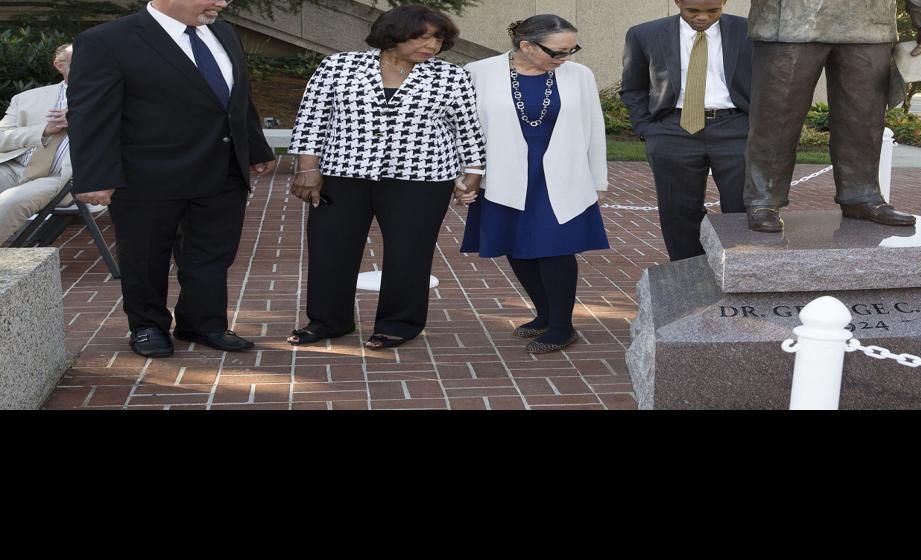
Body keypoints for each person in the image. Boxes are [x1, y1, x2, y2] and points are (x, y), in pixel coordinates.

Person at [68, 0, 276, 358]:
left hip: (222, 168)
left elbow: (236, 99)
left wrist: (256, 148)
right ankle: (147, 326)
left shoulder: (224, 33)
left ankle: (203, 323)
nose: (222, 3)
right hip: (147, 175)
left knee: (211, 255)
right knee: (146, 255)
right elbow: (91, 114)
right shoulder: (106, 41)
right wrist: (95, 176)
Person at [284, 4, 486, 350]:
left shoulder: (452, 76)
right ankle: (328, 321)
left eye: (438, 39)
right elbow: (311, 122)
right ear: (393, 35)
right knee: (331, 249)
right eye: (423, 37)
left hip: (421, 179)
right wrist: (307, 169)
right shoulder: (338, 67)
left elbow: (467, 129)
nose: (432, 46)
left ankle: (400, 323)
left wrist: (473, 173)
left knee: (410, 253)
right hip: (343, 174)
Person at [459, 15, 608, 355]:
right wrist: (465, 175)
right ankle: (544, 314)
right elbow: (464, 129)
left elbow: (594, 126)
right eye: (556, 52)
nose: (564, 58)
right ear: (525, 45)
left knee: (554, 246)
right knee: (516, 244)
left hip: (561, 173)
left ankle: (562, 325)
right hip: (502, 173)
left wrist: (598, 178)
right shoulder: (478, 72)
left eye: (571, 50)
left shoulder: (579, 75)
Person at [743, 0, 921, 232]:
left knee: (864, 118)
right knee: (776, 115)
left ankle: (861, 194)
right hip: (789, 19)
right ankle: (764, 197)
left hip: (870, 21)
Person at [620, 0, 751, 261]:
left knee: (743, 208)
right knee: (678, 211)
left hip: (736, 127)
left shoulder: (749, 31)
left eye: (713, 11)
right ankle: (688, 272)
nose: (702, 17)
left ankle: (741, 269)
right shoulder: (644, 34)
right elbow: (632, 87)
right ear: (678, 2)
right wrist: (647, 129)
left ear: (724, 2)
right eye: (693, 11)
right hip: (672, 129)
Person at [0, 44, 75, 244]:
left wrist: (80, 121)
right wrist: (43, 130)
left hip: (60, 178)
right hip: (15, 168)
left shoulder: (108, 99)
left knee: (8, 202)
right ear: (59, 66)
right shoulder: (25, 99)